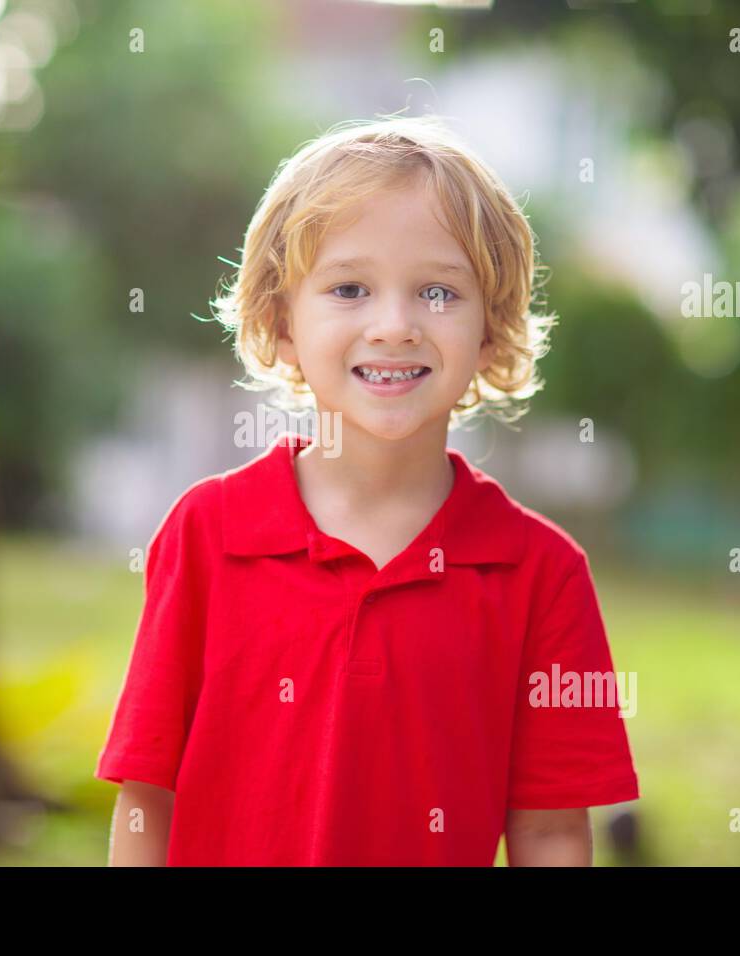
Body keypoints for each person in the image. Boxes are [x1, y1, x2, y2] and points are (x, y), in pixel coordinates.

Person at [95, 115, 639, 866]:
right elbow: (146, 799)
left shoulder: (543, 574)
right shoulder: (206, 534)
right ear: (282, 323)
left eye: (438, 293)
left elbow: (549, 831)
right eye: (349, 288)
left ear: (491, 328)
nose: (394, 326)